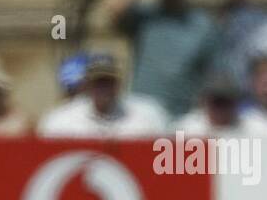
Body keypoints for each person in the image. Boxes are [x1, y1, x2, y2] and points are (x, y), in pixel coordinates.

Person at [109, 0, 219, 117]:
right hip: (143, 112)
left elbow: (213, 72)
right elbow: (113, 10)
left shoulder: (202, 25)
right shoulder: (145, 17)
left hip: (183, 113)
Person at [37, 54, 169, 138]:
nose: (103, 89)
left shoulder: (148, 116)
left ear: (118, 84)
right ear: (87, 85)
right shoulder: (61, 121)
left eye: (108, 82)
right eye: (98, 82)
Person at [173, 73, 267, 136]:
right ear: (204, 102)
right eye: (217, 102)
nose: (221, 109)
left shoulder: (256, 127)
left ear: (236, 103)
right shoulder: (186, 129)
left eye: (226, 102)